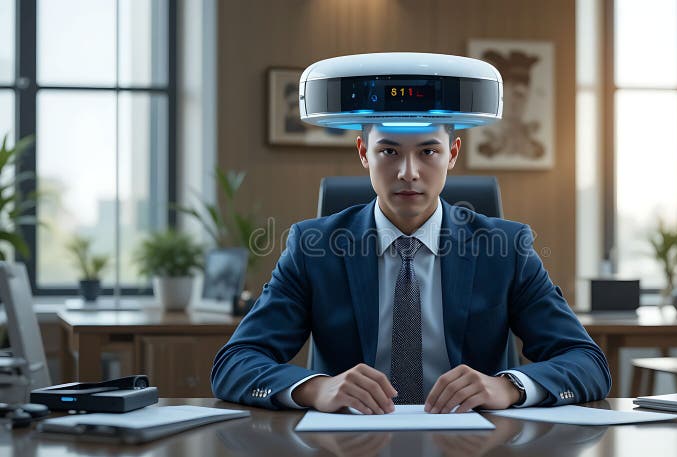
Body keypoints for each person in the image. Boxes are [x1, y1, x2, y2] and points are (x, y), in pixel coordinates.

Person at [211, 123, 611, 414]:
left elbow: (585, 362)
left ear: (452, 154)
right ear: (363, 152)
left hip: (476, 443)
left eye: (427, 152)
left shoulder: (506, 248)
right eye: (388, 152)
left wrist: (509, 387)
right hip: (350, 443)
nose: (408, 172)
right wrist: (316, 389)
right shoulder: (313, 248)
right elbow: (236, 362)